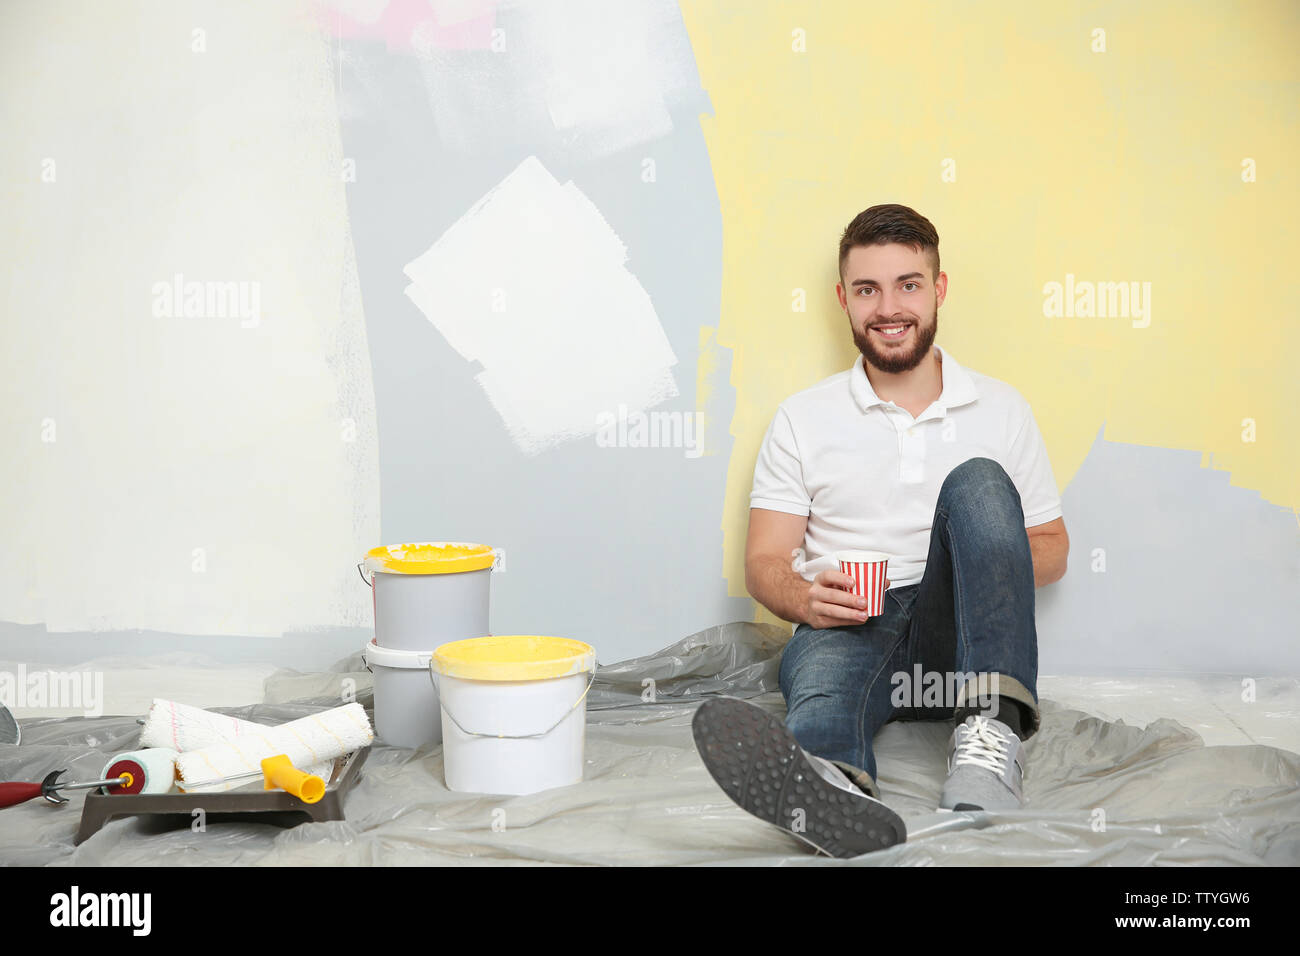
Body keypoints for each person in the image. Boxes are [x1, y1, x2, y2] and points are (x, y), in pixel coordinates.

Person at [692, 204, 1069, 857]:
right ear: (843, 299)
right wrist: (804, 598)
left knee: (978, 480)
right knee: (822, 687)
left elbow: (1054, 549)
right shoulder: (801, 419)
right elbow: (765, 561)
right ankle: (830, 785)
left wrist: (973, 569)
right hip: (852, 623)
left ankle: (989, 739)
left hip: (958, 642)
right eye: (867, 289)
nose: (888, 307)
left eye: (908, 285)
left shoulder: (1003, 408)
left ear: (939, 288)